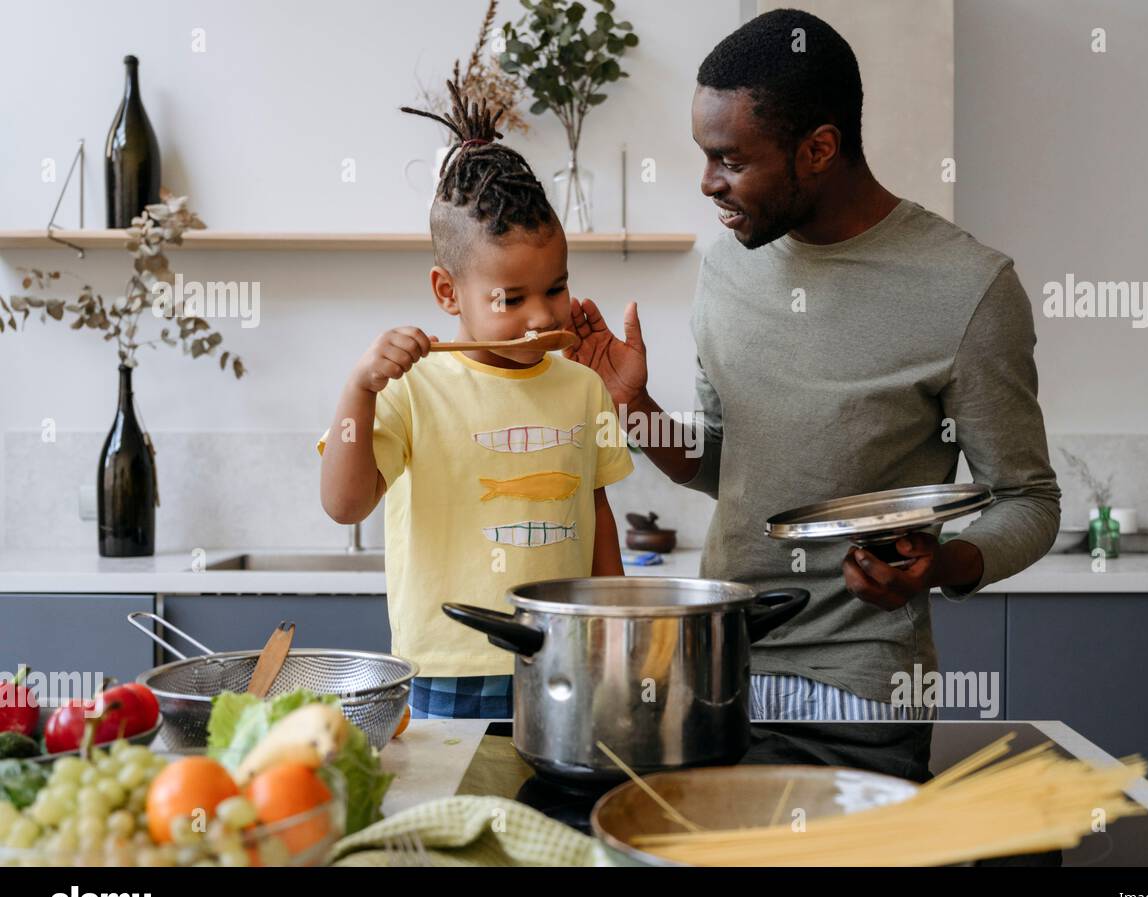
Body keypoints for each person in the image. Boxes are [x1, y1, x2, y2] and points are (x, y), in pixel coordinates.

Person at [566, 9, 1060, 723]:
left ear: (820, 149)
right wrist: (634, 409)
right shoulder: (726, 266)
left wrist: (941, 566)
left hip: (859, 683)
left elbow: (1029, 500)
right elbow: (724, 463)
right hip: (717, 665)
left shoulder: (967, 288)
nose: (707, 183)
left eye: (731, 160)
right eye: (705, 156)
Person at [319, 83, 632, 719]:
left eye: (557, 287)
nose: (541, 314)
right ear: (447, 291)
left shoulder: (582, 385)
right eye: (509, 299)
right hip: (447, 667)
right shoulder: (412, 384)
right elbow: (344, 505)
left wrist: (614, 635)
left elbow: (597, 514)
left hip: (564, 655)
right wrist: (359, 388)